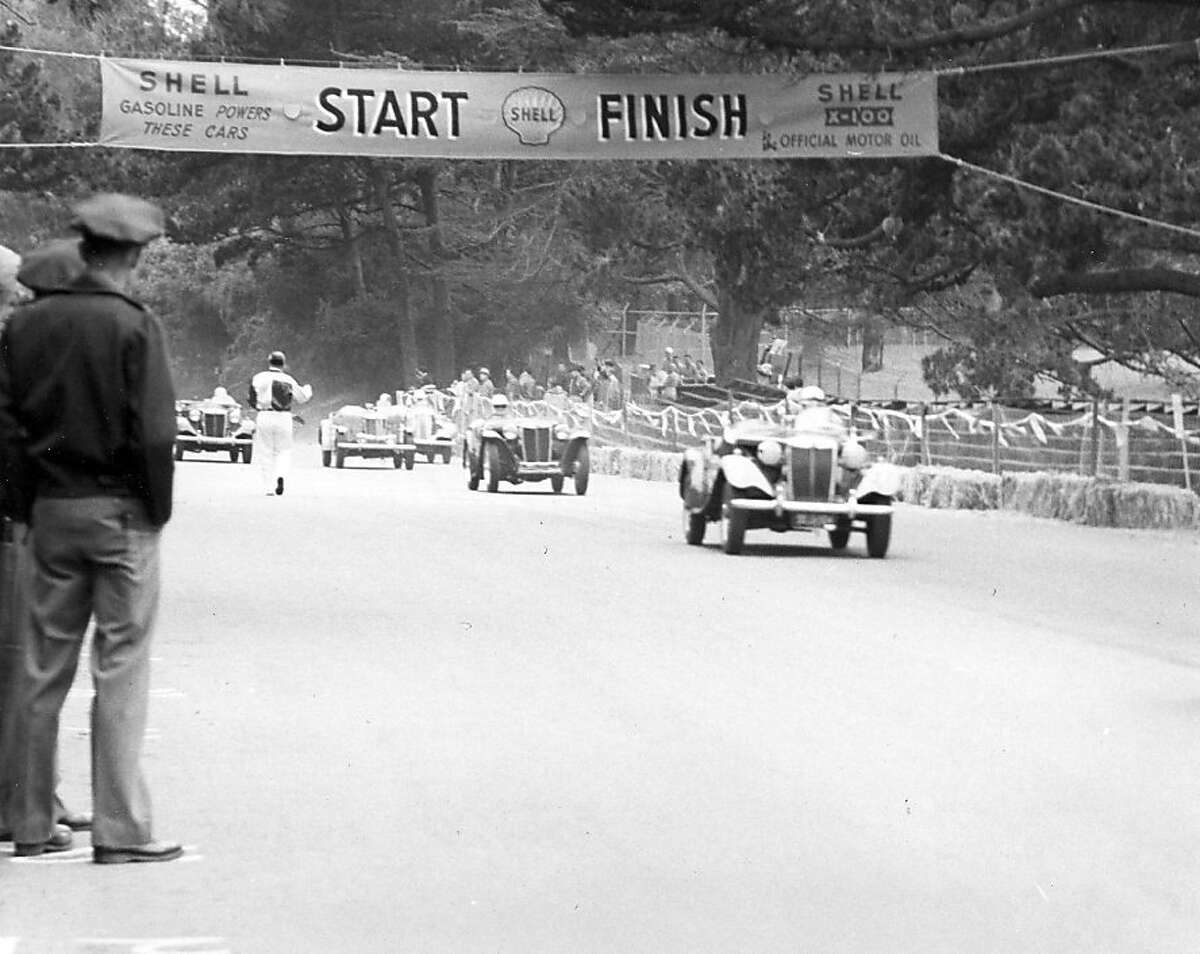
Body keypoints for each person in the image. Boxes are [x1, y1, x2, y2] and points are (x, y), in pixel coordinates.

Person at [0, 193, 182, 862]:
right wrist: (153, 512)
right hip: (118, 512)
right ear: (134, 255)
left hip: (48, 512)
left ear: (83, 248)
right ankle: (122, 830)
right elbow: (155, 433)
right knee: (121, 667)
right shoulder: (135, 326)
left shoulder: (25, 327)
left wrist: (24, 510)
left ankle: (29, 822)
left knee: (41, 671)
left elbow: (12, 430)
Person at [248, 351, 312, 496]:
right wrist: (308, 389)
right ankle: (280, 476)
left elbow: (251, 398)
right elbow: (302, 398)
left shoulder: (258, 377)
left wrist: (258, 407)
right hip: (284, 417)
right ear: (283, 364)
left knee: (265, 451)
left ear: (269, 362)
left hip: (264, 415)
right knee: (284, 450)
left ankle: (268, 487)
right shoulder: (288, 379)